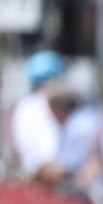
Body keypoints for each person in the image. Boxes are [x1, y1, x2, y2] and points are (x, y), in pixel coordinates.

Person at [10, 50, 64, 178]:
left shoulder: (23, 105)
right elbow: (50, 148)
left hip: (30, 174)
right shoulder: (50, 104)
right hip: (48, 175)